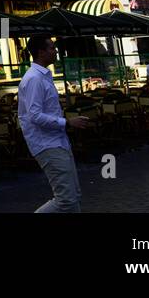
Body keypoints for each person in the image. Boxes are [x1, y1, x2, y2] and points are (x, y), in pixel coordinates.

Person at [17, 35, 92, 212]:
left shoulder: (42, 76)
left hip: (57, 141)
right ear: (41, 52)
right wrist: (67, 122)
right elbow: (35, 115)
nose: (55, 50)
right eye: (51, 47)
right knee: (66, 200)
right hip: (47, 144)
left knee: (74, 197)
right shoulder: (34, 79)